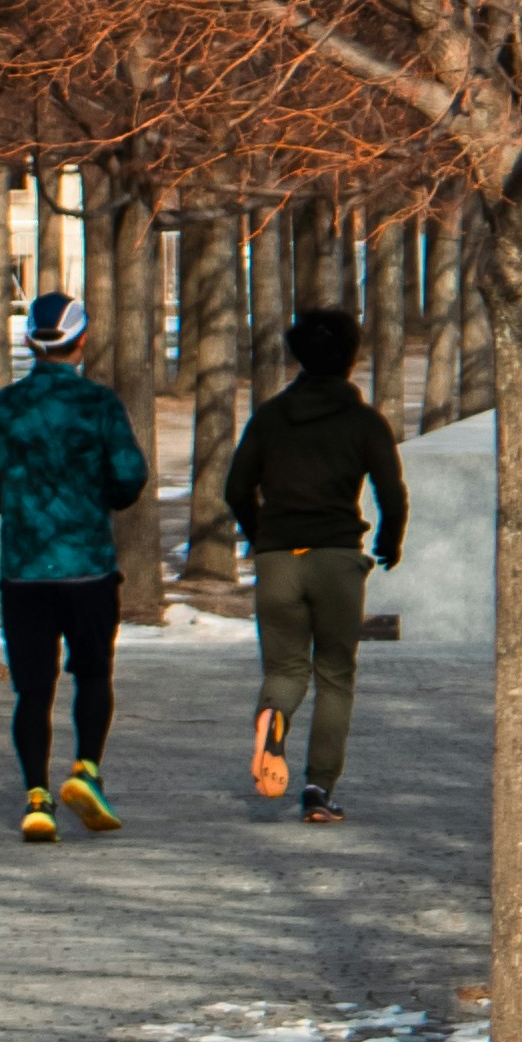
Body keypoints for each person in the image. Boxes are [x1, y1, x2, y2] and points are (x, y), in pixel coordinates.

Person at [0, 282, 148, 843]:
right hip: (88, 565)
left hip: (24, 572)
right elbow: (130, 477)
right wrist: (101, 500)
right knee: (93, 675)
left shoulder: (3, 409)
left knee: (33, 689)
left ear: (29, 341)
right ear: (81, 340)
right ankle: (87, 770)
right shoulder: (100, 405)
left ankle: (37, 797)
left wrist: (16, 506)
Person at [221, 296, 408, 819]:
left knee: (284, 669)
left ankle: (274, 717)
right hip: (335, 559)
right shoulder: (365, 422)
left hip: (280, 559)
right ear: (352, 358)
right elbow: (392, 494)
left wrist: (263, 536)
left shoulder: (271, 417)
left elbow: (237, 487)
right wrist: (388, 542)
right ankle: (318, 790)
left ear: (299, 355)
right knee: (334, 674)